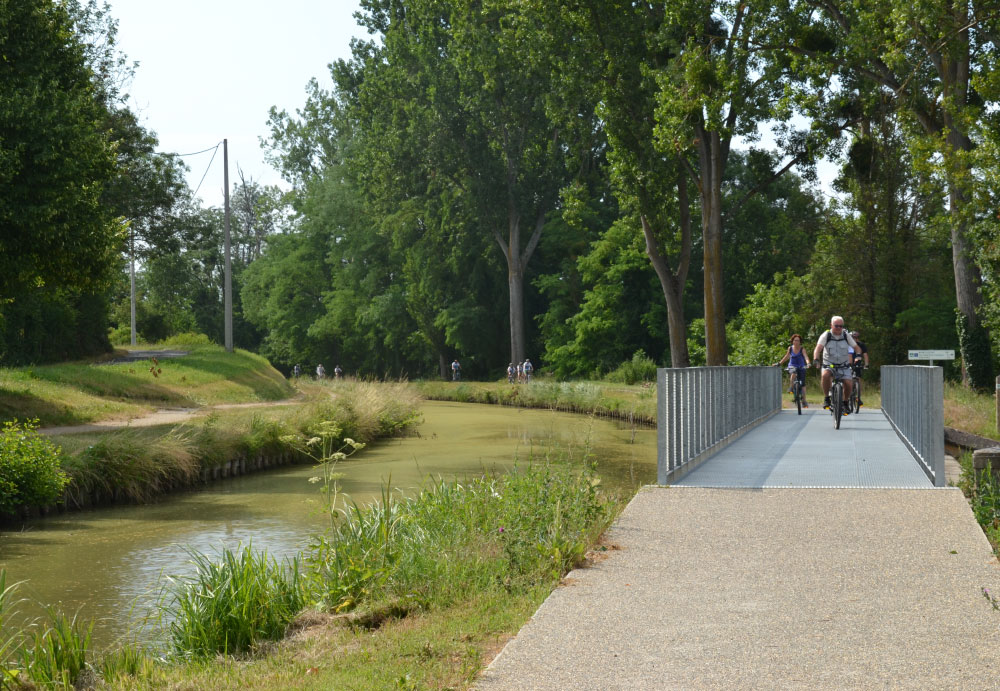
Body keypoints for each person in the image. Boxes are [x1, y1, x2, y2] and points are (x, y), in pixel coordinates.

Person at [813, 316, 860, 412]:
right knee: (825, 375)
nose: (839, 328)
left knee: (848, 383)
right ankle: (827, 398)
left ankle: (845, 402)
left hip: (843, 364)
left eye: (841, 326)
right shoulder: (826, 335)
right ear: (831, 325)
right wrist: (816, 359)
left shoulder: (846, 335)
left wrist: (858, 355)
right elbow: (818, 349)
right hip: (829, 364)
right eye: (836, 326)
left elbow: (856, 348)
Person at [774, 334, 811, 408]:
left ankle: (804, 401)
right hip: (792, 365)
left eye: (798, 340)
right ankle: (791, 387)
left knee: (803, 384)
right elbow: (787, 356)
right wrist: (779, 363)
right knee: (793, 373)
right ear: (792, 341)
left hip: (801, 366)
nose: (796, 342)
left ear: (800, 342)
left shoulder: (802, 349)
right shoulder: (790, 348)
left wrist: (808, 363)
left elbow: (806, 357)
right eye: (795, 340)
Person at [849, 330, 869, 407]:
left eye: (856, 338)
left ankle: (858, 397)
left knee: (858, 379)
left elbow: (865, 355)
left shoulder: (861, 345)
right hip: (848, 363)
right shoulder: (848, 345)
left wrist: (866, 365)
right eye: (853, 337)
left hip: (857, 363)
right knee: (847, 379)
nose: (855, 339)